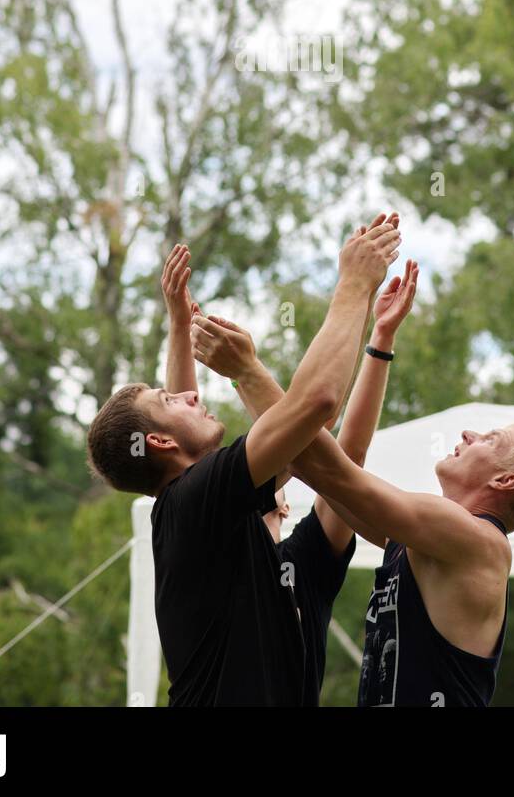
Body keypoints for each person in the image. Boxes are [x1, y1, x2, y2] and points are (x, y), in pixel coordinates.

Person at [85, 213, 402, 707]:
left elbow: (339, 465)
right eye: (167, 401)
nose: (188, 397)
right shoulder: (188, 504)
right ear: (161, 445)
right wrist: (352, 285)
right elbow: (315, 403)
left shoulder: (268, 554)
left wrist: (374, 330)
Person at [192, 309, 514, 708]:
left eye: (491, 440)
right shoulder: (429, 545)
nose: (468, 434)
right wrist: (380, 340)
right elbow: (336, 466)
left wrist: (246, 372)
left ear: (504, 481)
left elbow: (331, 470)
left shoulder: (476, 540)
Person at [176, 239, 418, 704]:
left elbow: (347, 459)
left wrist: (380, 338)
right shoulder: (213, 540)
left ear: (286, 507)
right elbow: (193, 466)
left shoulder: (302, 564)